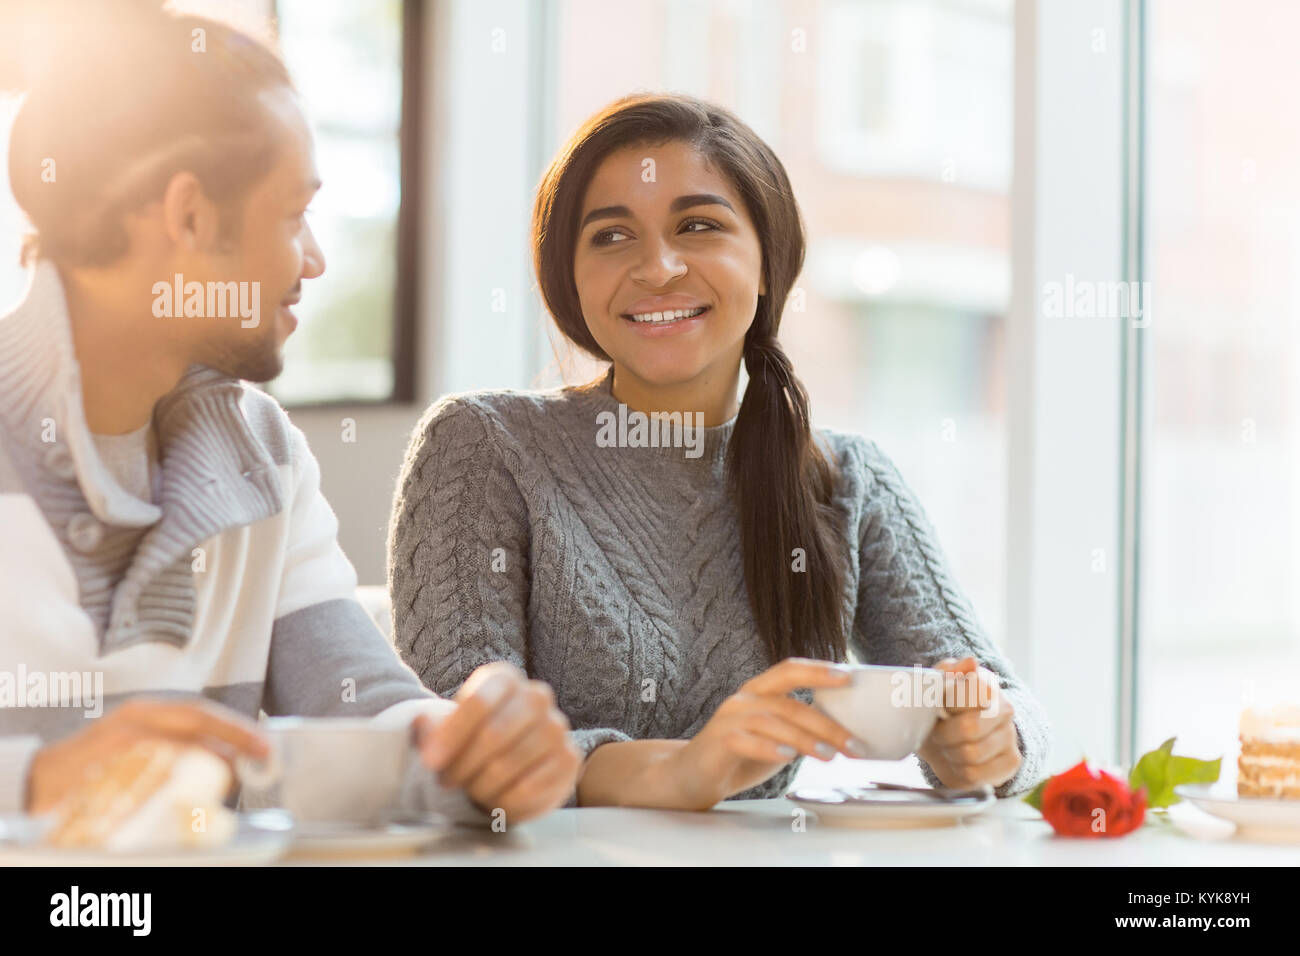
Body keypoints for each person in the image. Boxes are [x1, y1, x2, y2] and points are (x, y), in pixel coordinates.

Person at [388, 92, 1051, 810]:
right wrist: (679, 773)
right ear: (568, 279)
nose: (658, 267)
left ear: (768, 261)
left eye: (698, 226)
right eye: (611, 237)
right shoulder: (484, 446)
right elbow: (453, 751)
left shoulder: (844, 479)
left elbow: (1003, 700)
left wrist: (988, 741)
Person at [0, 9, 579, 824]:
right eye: (292, 215)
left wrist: (476, 750)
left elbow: (358, 698)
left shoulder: (263, 454)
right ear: (191, 217)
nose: (314, 259)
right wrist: (32, 785)